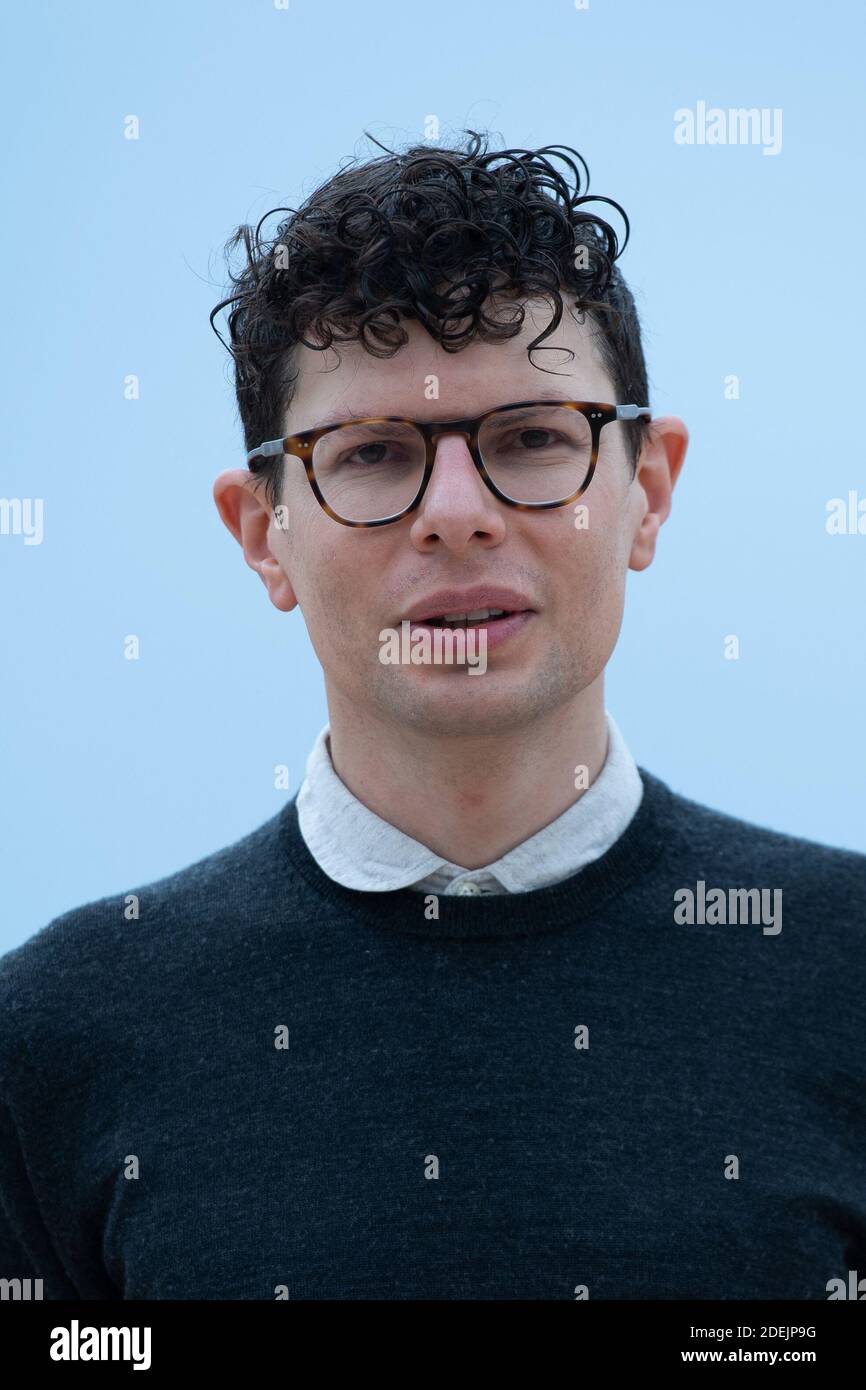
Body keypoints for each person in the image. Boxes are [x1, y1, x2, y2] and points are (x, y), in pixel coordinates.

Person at [1, 134, 864, 1302]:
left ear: (646, 492)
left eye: (529, 438)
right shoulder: (54, 1034)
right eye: (371, 454)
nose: (455, 515)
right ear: (263, 533)